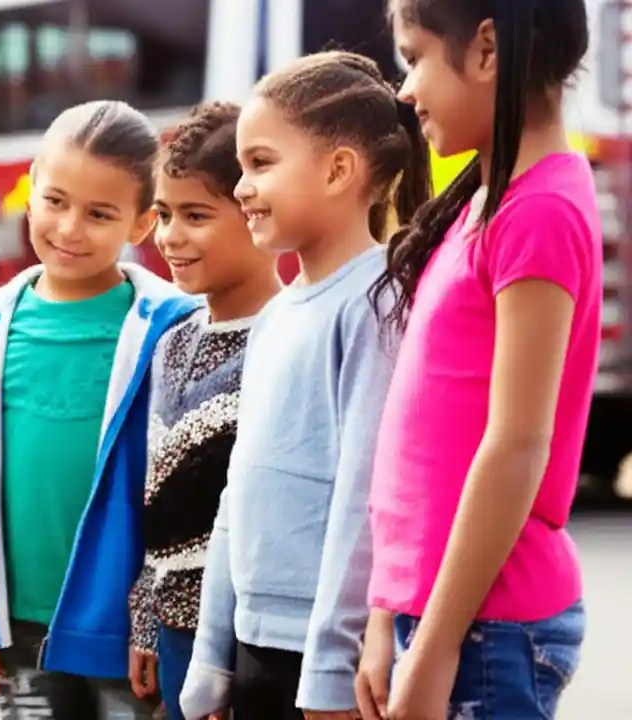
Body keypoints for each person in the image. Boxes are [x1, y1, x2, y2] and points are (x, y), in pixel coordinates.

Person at [358, 2, 597, 719]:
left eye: (414, 58)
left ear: (487, 49)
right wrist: (384, 616)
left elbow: (517, 445)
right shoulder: (490, 200)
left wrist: (432, 648)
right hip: (447, 620)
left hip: (485, 631)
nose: (405, 90)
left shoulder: (539, 212)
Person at [179, 50, 430, 720]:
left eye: (260, 163)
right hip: (256, 649)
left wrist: (328, 668)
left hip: (323, 663)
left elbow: (363, 497)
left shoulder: (375, 304)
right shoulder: (278, 315)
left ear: (338, 169)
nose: (240, 187)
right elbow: (239, 493)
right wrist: (212, 654)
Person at [0, 99, 200, 719]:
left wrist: (160, 616)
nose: (69, 228)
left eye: (99, 213)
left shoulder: (171, 326)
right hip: (21, 630)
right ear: (31, 188)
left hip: (130, 634)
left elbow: (190, 495)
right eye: (54, 201)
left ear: (140, 224)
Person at [126, 101, 281, 720]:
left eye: (196, 216)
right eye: (163, 214)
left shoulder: (284, 337)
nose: (169, 237)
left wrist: (226, 663)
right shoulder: (171, 343)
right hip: (172, 632)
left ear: (255, 213)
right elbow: (159, 499)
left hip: (248, 643)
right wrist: (145, 617)